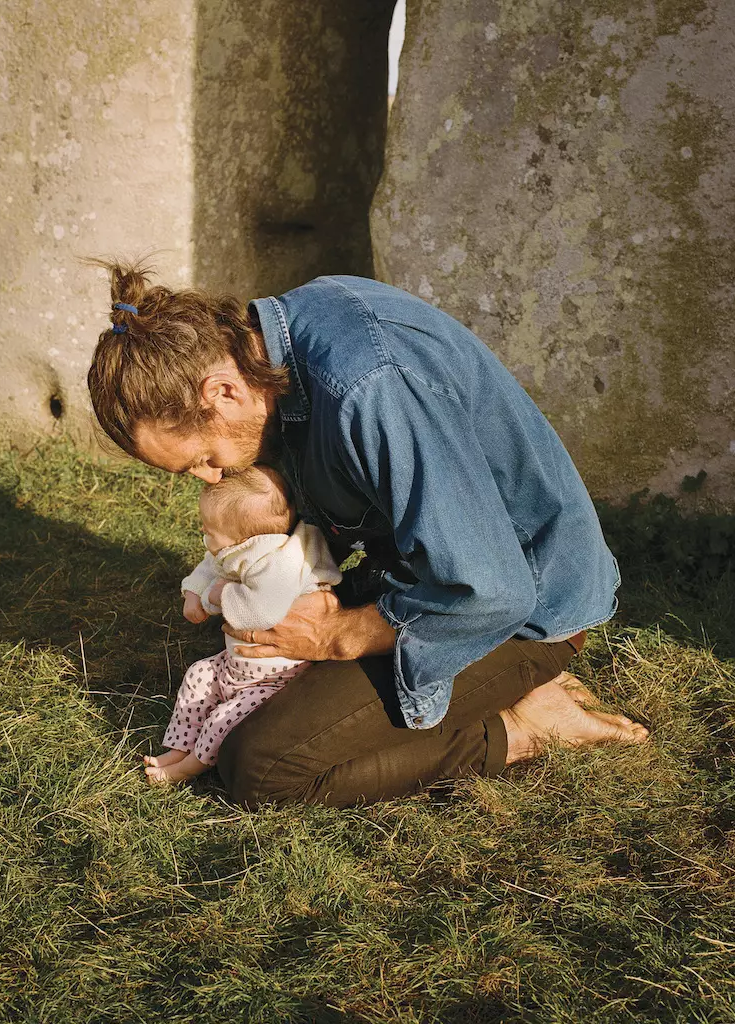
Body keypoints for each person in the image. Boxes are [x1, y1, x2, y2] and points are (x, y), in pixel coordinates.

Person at [88, 260, 649, 807]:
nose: (211, 479)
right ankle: (509, 693)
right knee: (256, 664)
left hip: (518, 612)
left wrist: (340, 634)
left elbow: (488, 589)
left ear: (224, 392)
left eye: (203, 459)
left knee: (259, 765)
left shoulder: (369, 385)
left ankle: (522, 724)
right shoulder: (284, 343)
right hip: (414, 573)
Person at [144, 465, 342, 784]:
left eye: (209, 530)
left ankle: (190, 767)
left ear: (243, 538)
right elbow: (213, 564)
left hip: (275, 680)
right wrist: (193, 591)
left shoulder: (283, 561)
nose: (204, 535)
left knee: (223, 718)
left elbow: (260, 610)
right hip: (236, 665)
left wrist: (214, 598)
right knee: (198, 675)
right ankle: (178, 748)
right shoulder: (238, 547)